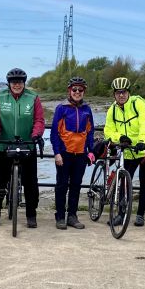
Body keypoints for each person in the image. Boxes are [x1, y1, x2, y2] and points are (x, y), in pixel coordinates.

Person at [0, 67, 45, 228]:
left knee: (31, 183)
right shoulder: (0, 96)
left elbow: (39, 119)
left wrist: (36, 134)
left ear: (24, 83)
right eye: (13, 82)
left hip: (27, 145)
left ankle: (31, 215)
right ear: (9, 83)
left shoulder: (33, 97)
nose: (17, 84)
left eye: (19, 82)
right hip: (2, 145)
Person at [102, 77, 145, 227]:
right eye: (118, 93)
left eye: (123, 92)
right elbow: (108, 130)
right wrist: (120, 137)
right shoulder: (112, 110)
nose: (121, 95)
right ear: (114, 94)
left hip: (143, 149)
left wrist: (143, 141)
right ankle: (120, 215)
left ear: (128, 92)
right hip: (128, 151)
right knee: (123, 182)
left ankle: (140, 215)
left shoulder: (138, 104)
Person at [49, 76, 96, 230]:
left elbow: (90, 132)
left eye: (80, 90)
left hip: (80, 154)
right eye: (74, 89)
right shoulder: (61, 108)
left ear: (84, 92)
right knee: (62, 186)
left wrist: (91, 151)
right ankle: (60, 216)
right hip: (64, 153)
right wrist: (57, 153)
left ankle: (72, 216)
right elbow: (54, 133)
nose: (77, 92)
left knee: (76, 186)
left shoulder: (87, 109)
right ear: (69, 91)